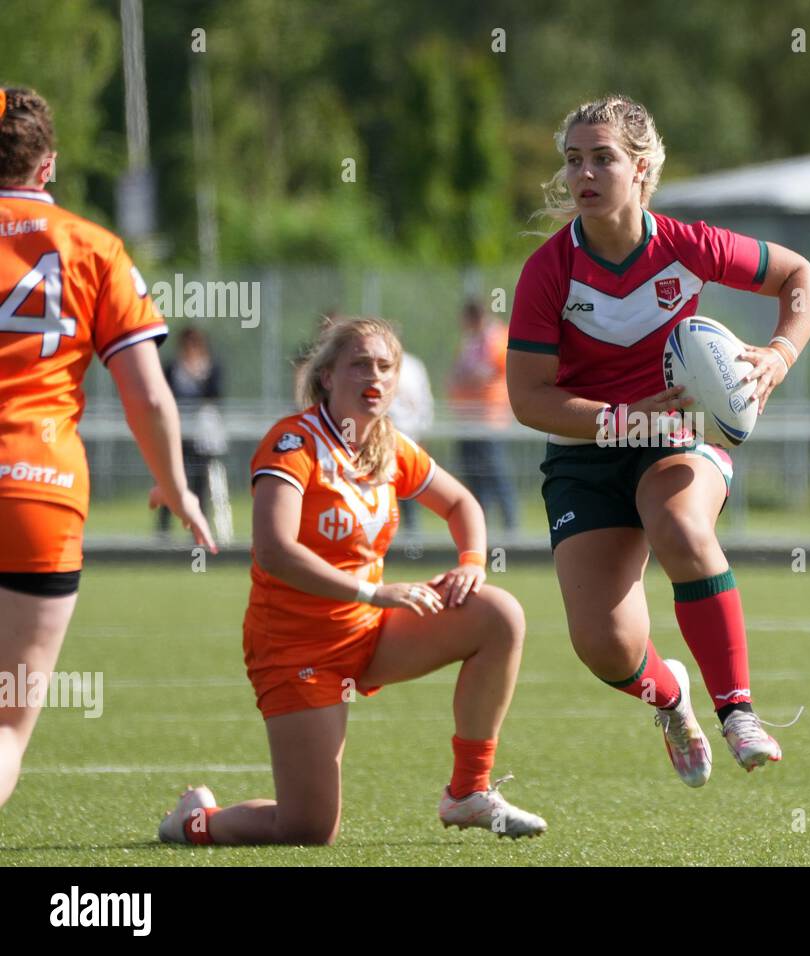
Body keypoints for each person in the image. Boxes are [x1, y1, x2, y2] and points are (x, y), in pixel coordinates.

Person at [506, 95, 810, 787]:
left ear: (641, 167)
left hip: (677, 436)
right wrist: (621, 417)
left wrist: (778, 355)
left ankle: (737, 709)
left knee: (679, 522)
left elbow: (803, 277)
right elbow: (528, 398)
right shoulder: (549, 272)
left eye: (602, 158)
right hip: (587, 452)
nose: (583, 174)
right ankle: (670, 697)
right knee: (605, 647)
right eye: (573, 160)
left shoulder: (688, 245)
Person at [158, 317, 545, 845]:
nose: (376, 377)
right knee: (308, 829)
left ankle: (468, 792)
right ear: (326, 378)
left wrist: (472, 563)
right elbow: (273, 550)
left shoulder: (387, 446)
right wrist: (372, 592)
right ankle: (193, 821)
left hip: (369, 632)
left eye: (387, 367)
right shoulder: (293, 441)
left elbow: (460, 503)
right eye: (360, 364)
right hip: (297, 648)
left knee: (499, 614)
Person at [0, 86, 214, 809]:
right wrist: (176, 487)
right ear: (48, 164)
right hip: (39, 490)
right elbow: (149, 396)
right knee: (5, 727)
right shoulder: (95, 247)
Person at [449, 299, 517, 533]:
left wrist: (464, 379)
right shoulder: (470, 340)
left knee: (495, 471)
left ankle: (510, 526)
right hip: (467, 418)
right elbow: (458, 372)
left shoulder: (496, 337)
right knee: (473, 473)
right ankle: (481, 524)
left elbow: (483, 374)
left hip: (489, 418)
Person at [158, 326, 226, 533]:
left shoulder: (211, 368)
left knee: (200, 482)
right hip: (177, 430)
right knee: (171, 478)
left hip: (202, 432)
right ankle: (164, 530)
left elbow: (215, 395)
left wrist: (198, 376)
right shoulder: (173, 368)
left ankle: (199, 526)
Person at [387, 344, 434, 534]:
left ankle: (412, 541)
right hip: (382, 438)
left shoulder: (413, 365)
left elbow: (424, 401)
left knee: (411, 489)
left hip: (409, 436)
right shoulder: (378, 364)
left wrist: (423, 431)